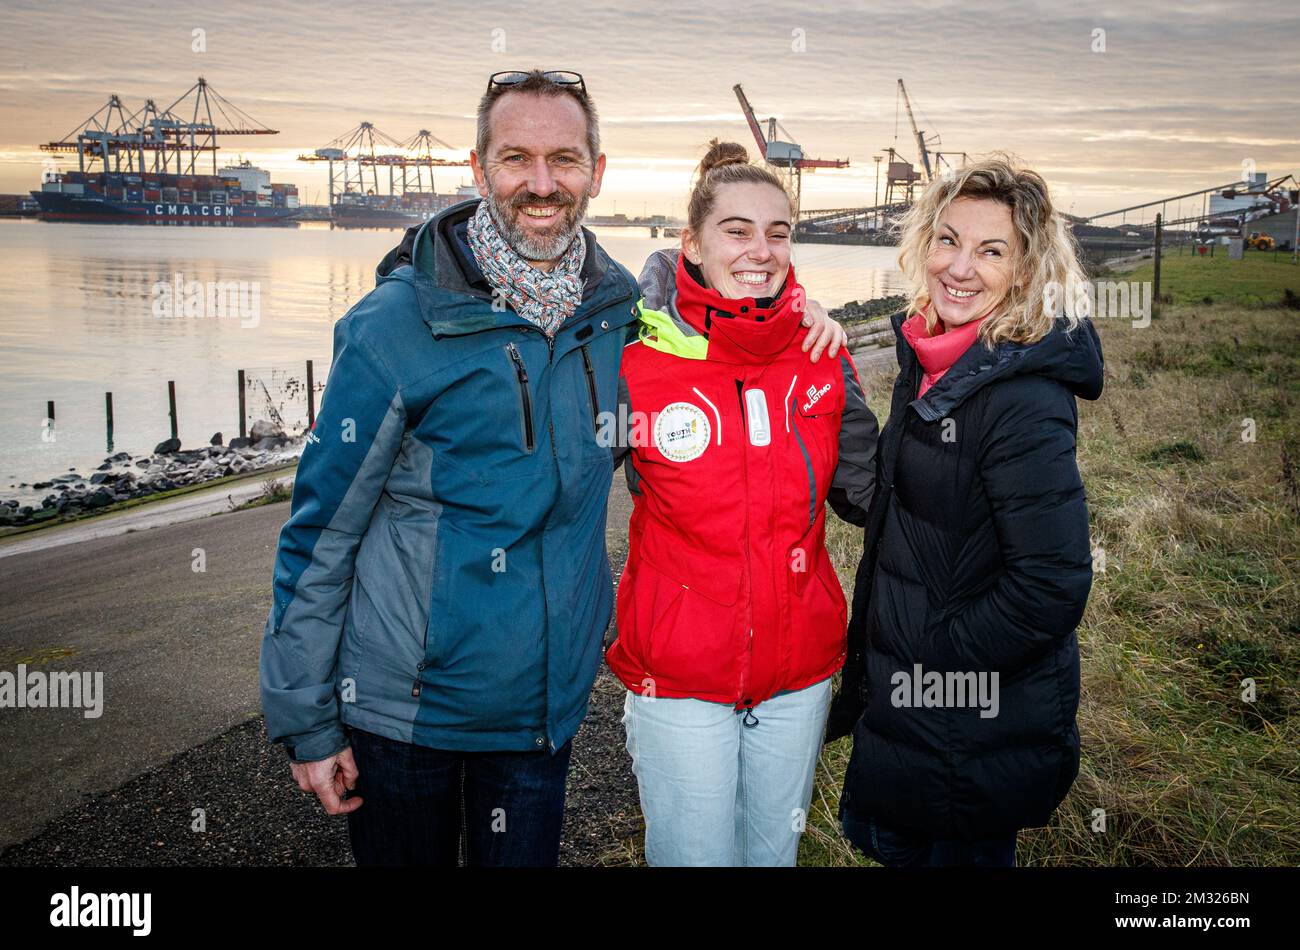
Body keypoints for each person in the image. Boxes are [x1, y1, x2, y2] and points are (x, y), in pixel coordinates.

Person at [258, 71, 846, 866]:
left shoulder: (615, 320)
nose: (542, 183)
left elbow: (714, 330)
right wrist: (309, 720)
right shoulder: (393, 326)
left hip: (539, 713)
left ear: (596, 172)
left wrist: (801, 315)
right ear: (478, 167)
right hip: (405, 713)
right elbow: (320, 533)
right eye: (516, 159)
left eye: (564, 159)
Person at [824, 156, 1104, 867]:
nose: (960, 267)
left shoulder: (1021, 397)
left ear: (1027, 270)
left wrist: (928, 655)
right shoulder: (939, 355)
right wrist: (819, 377)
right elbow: (903, 502)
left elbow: (1051, 586)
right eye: (948, 240)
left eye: (991, 250)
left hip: (963, 726)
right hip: (927, 719)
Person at [606, 140, 879, 866]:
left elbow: (873, 494)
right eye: (737, 230)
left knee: (772, 858)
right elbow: (552, 492)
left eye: (778, 231)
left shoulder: (822, 354)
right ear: (691, 244)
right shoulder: (635, 359)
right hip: (681, 679)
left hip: (800, 676)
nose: (761, 249)